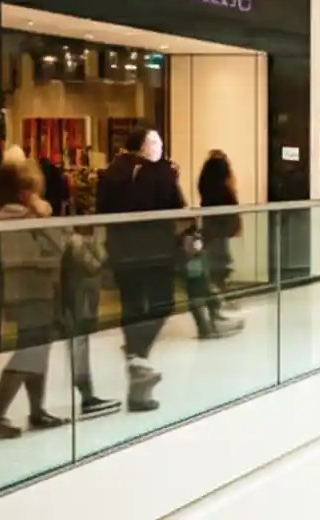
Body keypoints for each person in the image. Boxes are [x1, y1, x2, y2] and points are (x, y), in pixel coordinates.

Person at [0, 153, 73, 438]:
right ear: (24, 191)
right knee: (29, 350)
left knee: (38, 348)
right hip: (29, 290)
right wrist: (43, 219)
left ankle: (37, 410)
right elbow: (54, 248)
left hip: (37, 289)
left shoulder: (21, 217)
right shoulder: (15, 219)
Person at [96, 127, 185, 412]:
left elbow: (103, 209)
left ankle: (137, 374)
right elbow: (176, 205)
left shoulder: (112, 173)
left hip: (123, 251)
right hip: (156, 251)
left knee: (131, 307)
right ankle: (138, 356)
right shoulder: (161, 173)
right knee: (164, 303)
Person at [61, 225, 122, 420]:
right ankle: (86, 395)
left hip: (81, 299)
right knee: (78, 344)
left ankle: (86, 393)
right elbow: (95, 263)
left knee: (80, 343)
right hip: (77, 300)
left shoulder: (78, 241)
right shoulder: (76, 242)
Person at [194, 151, 245, 339]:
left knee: (215, 269)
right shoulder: (224, 192)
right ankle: (217, 314)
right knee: (218, 269)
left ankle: (216, 314)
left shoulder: (206, 188)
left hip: (211, 233)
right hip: (218, 235)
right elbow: (230, 214)